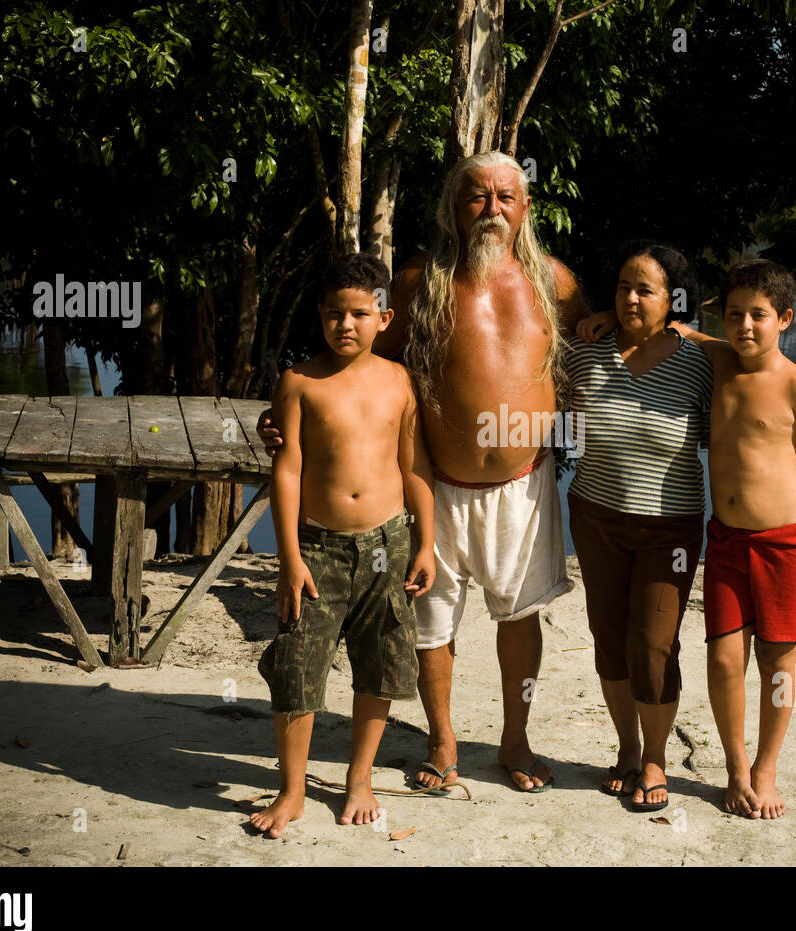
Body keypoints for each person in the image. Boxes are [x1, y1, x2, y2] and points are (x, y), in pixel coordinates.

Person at [258, 151, 593, 794]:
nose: (491, 209)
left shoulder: (558, 282)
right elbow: (354, 362)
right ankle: (442, 742)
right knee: (430, 621)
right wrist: (284, 421)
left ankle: (515, 741)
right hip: (434, 484)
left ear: (524, 209)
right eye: (476, 197)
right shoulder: (416, 282)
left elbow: (618, 345)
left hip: (525, 484)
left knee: (519, 615)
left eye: (504, 197)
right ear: (452, 207)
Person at [250, 253, 435, 838]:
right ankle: (293, 788)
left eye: (360, 313)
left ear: (385, 317)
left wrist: (427, 543)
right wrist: (288, 558)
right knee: (297, 665)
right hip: (318, 548)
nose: (346, 325)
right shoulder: (299, 381)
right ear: (320, 316)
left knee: (381, 664)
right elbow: (287, 470)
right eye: (334, 314)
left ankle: (360, 777)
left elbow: (414, 465)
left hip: (389, 543)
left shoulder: (400, 380)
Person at [676, 258, 796, 819]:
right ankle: (734, 767)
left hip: (785, 545)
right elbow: (671, 327)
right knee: (726, 660)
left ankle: (766, 769)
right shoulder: (719, 359)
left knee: (778, 661)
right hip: (725, 542)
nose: (745, 326)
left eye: (758, 315)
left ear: (785, 319)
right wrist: (607, 313)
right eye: (734, 315)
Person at [564, 241, 711, 811]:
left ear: (672, 298)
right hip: (594, 516)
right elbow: (528, 390)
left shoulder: (700, 362)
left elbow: (753, 413)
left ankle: (656, 757)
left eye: (645, 289)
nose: (630, 297)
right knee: (608, 637)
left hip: (669, 527)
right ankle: (627, 750)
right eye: (623, 286)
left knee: (653, 644)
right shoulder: (583, 351)